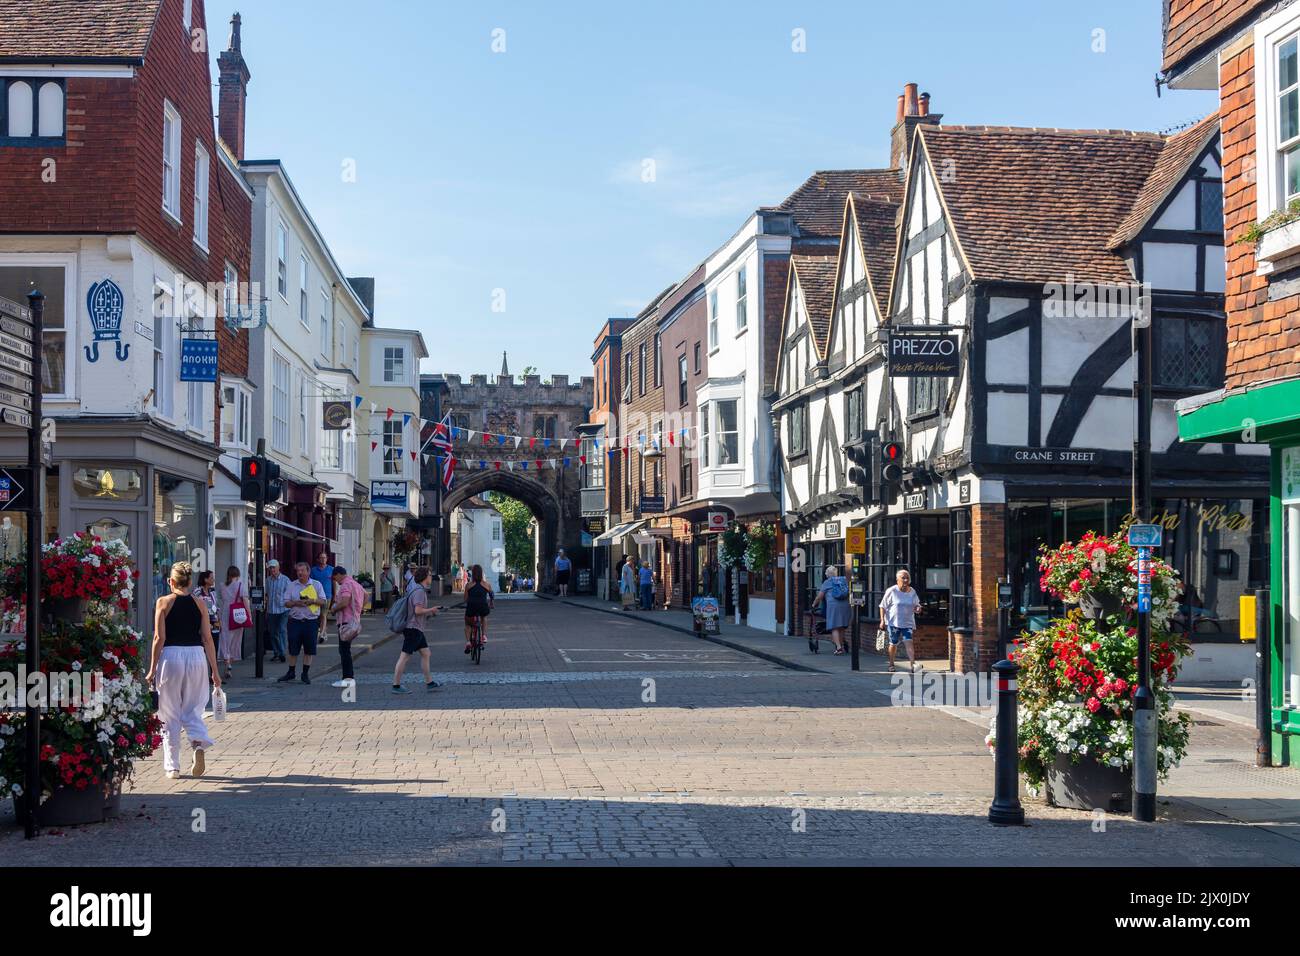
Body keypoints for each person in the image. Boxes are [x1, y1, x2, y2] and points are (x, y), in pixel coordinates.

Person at [147, 561, 219, 779]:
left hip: (171, 657)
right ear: (188, 582)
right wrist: (215, 671)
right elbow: (207, 638)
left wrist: (151, 669)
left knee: (169, 713)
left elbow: (159, 638)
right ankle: (198, 743)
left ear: (171, 581)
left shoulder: (163, 602)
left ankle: (173, 766)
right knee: (193, 708)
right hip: (197, 656)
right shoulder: (200, 604)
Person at [392, 568, 441, 693]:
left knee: (426, 653)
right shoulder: (419, 591)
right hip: (413, 629)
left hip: (416, 628)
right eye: (430, 575)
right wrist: (431, 610)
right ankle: (396, 685)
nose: (431, 577)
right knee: (404, 657)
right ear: (425, 576)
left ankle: (429, 682)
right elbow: (417, 611)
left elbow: (418, 611)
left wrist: (431, 612)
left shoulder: (417, 589)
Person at [278, 562, 322, 684]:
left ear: (308, 572)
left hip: (311, 621)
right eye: (298, 571)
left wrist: (312, 600)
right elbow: (286, 602)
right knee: (293, 648)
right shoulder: (292, 585)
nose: (300, 573)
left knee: (309, 648)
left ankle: (305, 674)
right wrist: (296, 603)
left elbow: (323, 601)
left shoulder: (316, 585)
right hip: (295, 621)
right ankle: (291, 672)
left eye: (302, 571)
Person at [330, 566, 366, 689]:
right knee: (346, 650)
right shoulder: (356, 584)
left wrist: (334, 609)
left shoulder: (345, 585)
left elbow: (345, 602)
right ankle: (348, 678)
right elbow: (366, 596)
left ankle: (348, 679)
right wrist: (359, 610)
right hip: (354, 621)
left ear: (339, 574)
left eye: (335, 578)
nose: (335, 581)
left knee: (344, 651)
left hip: (345, 622)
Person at [880, 568, 922, 673]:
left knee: (909, 642)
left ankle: (913, 665)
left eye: (907, 578)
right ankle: (891, 664)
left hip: (907, 623)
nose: (906, 580)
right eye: (903, 578)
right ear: (897, 579)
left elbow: (917, 604)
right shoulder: (892, 591)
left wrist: (918, 608)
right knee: (893, 644)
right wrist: (882, 620)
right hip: (893, 623)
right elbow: (882, 606)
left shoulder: (912, 591)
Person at [811, 565, 852, 655]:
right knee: (841, 627)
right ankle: (840, 645)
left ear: (828, 575)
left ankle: (838, 647)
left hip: (833, 607)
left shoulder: (827, 582)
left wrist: (814, 604)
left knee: (834, 627)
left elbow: (819, 597)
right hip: (845, 605)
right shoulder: (843, 579)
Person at [218, 565, 249, 681]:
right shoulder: (241, 586)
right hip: (237, 615)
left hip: (225, 614)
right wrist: (249, 614)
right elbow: (245, 601)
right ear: (238, 574)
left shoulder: (222, 586)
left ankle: (227, 664)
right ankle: (230, 663)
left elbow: (220, 599)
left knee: (225, 639)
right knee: (235, 640)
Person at [463, 563, 495, 653]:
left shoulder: (468, 585)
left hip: (471, 607)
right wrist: (491, 603)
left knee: (468, 623)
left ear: (472, 574)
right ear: (481, 573)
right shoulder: (486, 584)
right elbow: (492, 595)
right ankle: (484, 636)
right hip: (483, 606)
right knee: (484, 617)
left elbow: (465, 599)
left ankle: (468, 642)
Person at [264, 559, 289, 663]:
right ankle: (276, 652)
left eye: (274, 567)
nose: (272, 569)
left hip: (283, 610)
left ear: (278, 567)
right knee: (273, 632)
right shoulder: (268, 580)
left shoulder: (286, 580)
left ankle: (282, 652)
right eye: (270, 568)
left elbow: (290, 595)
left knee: (281, 630)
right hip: (271, 610)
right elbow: (266, 594)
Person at [194, 569, 221, 661]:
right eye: (211, 578)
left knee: (214, 646)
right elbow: (195, 608)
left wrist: (219, 621)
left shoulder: (212, 592)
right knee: (204, 647)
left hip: (214, 623)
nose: (213, 580)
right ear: (205, 579)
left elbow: (216, 607)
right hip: (203, 623)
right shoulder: (198, 592)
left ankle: (213, 672)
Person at [311, 552, 335, 644]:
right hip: (316, 597)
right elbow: (311, 584)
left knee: (323, 615)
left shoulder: (331, 569)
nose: (322, 559)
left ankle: (322, 634)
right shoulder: (313, 570)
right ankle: (322, 631)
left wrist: (335, 595)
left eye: (324, 558)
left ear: (327, 559)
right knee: (316, 615)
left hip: (327, 596)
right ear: (318, 559)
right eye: (321, 558)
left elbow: (334, 583)